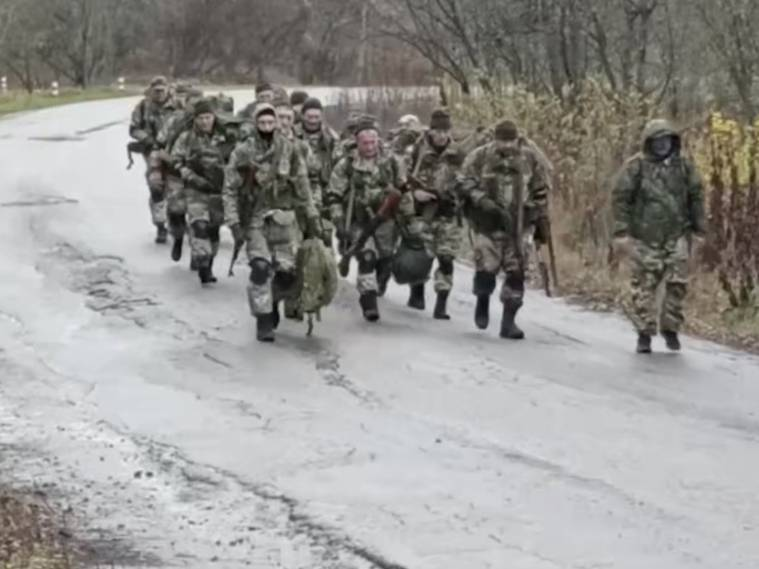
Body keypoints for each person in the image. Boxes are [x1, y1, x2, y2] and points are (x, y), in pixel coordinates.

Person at [223, 104, 321, 342]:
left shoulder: (290, 149)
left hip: (285, 219)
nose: (267, 127)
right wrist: (234, 222)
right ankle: (263, 319)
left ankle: (274, 300)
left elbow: (302, 185)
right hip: (255, 219)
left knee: (287, 273)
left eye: (271, 122)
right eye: (262, 123)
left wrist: (311, 216)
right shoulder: (243, 151)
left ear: (277, 123)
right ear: (255, 124)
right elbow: (229, 189)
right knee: (260, 268)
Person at [612, 119, 705, 354]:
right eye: (657, 141)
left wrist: (700, 230)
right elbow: (621, 199)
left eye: (666, 140)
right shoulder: (635, 167)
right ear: (649, 143)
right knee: (644, 287)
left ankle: (671, 328)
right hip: (645, 237)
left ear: (673, 141)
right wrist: (621, 233)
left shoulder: (684, 167)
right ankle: (645, 333)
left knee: (677, 285)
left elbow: (696, 197)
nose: (662, 145)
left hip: (676, 235)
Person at [457, 119, 549, 339]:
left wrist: (538, 218)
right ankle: (482, 300)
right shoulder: (479, 157)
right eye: (502, 141)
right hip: (487, 225)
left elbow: (541, 190)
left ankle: (508, 323)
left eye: (511, 141)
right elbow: (462, 182)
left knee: (516, 272)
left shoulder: (530, 158)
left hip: (519, 227)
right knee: (486, 269)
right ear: (495, 139)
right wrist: (481, 200)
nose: (507, 146)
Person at [326, 118, 406, 321]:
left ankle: (378, 282)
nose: (370, 147)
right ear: (357, 142)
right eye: (365, 143)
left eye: (373, 142)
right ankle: (368, 300)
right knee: (367, 257)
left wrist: (408, 219)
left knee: (385, 260)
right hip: (358, 221)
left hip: (387, 222)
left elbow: (404, 191)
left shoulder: (392, 162)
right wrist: (339, 222)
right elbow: (334, 195)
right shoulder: (347, 165)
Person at [401, 109, 463, 319]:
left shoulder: (458, 153)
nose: (442, 136)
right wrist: (415, 193)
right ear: (431, 130)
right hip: (423, 213)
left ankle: (442, 303)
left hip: (448, 212)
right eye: (438, 131)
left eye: (445, 131)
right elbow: (401, 179)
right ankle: (416, 293)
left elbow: (468, 180)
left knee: (446, 257)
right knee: (421, 256)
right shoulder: (417, 150)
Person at [172, 99, 233, 285]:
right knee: (199, 225)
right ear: (195, 119)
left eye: (208, 117)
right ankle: (202, 260)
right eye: (201, 118)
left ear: (214, 117)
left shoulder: (227, 136)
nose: (205, 122)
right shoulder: (186, 137)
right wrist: (191, 176)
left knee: (213, 229)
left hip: (218, 191)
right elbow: (176, 160)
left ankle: (208, 265)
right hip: (195, 190)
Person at [129, 75, 178, 243]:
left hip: (175, 151)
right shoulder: (143, 107)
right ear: (151, 91)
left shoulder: (178, 106)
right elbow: (134, 128)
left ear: (168, 89)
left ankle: (177, 220)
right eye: (156, 91)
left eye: (162, 91)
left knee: (177, 187)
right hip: (153, 152)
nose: (159, 94)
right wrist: (146, 138)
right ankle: (160, 226)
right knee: (156, 186)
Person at [295, 97, 340, 245]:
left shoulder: (331, 138)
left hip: (324, 194)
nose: (313, 121)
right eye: (309, 117)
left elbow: (338, 167)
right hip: (298, 191)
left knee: (323, 237)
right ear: (302, 116)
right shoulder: (292, 134)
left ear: (321, 116)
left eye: (316, 117)